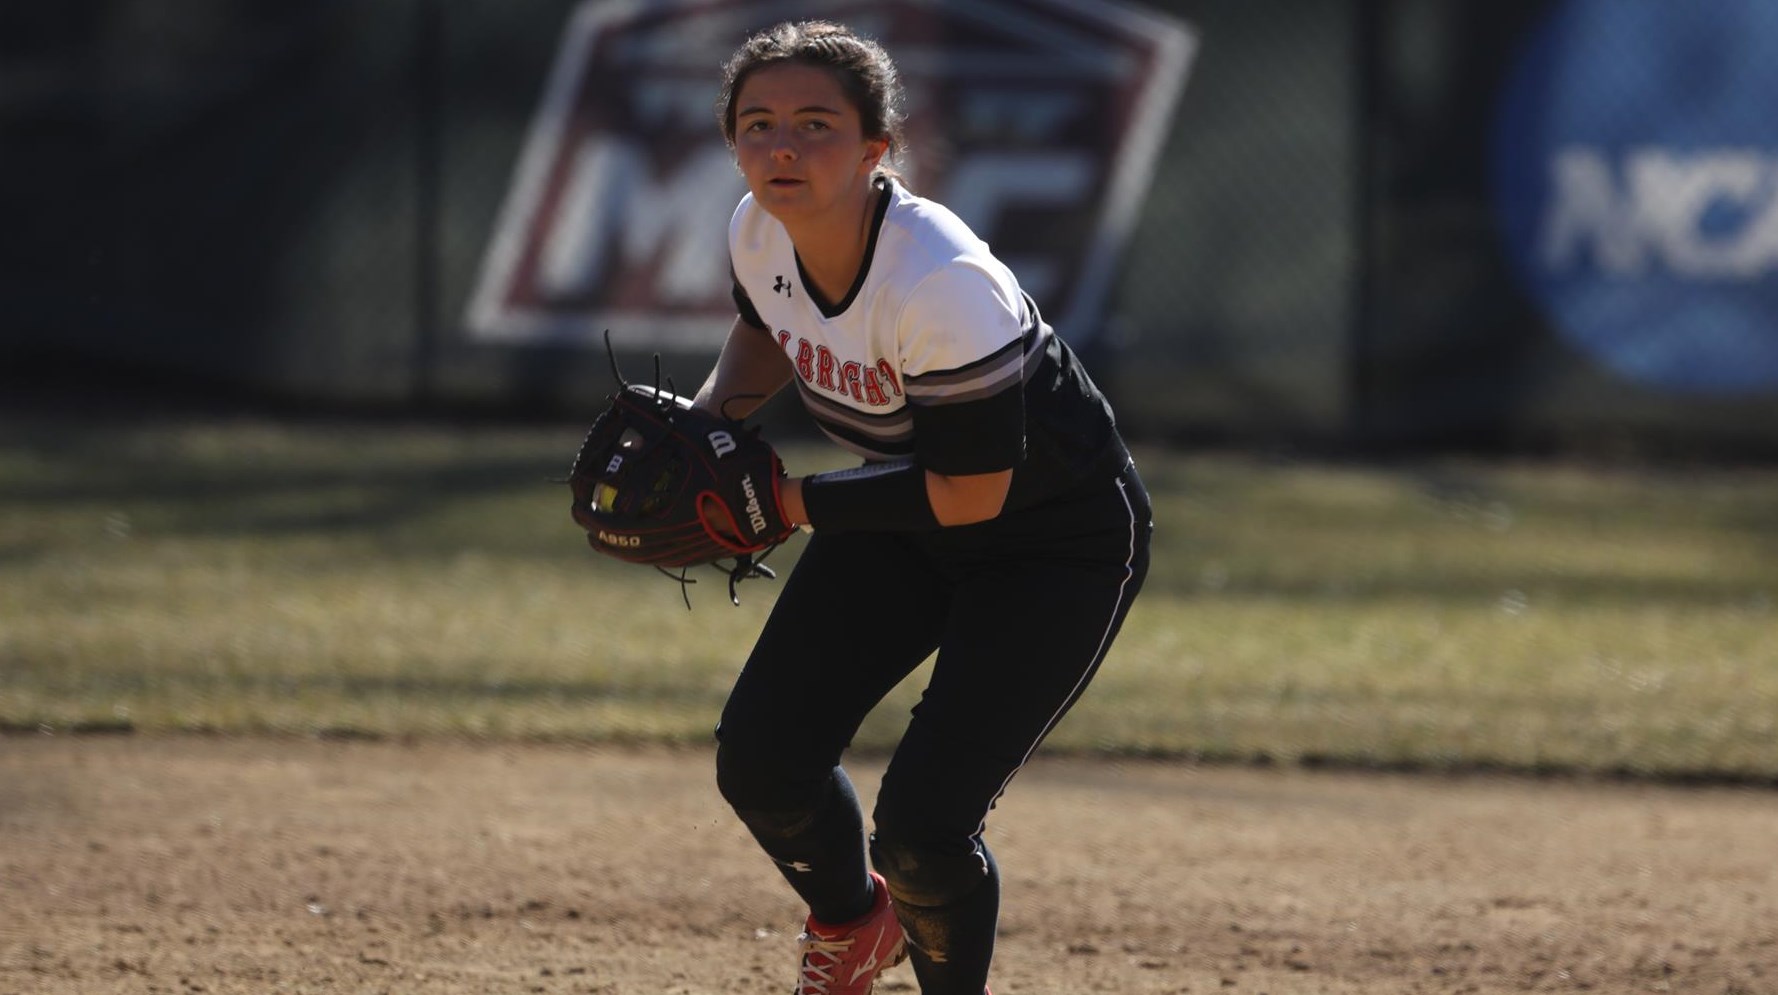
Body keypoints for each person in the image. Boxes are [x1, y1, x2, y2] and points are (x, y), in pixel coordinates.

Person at [691, 20, 1153, 995]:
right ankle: (854, 923)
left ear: (874, 147)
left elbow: (972, 492)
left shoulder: (938, 281)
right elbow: (768, 327)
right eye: (758, 123)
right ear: (731, 140)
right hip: (906, 509)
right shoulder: (755, 225)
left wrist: (784, 501)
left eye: (815, 124)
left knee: (922, 828)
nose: (781, 147)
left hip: (1050, 542)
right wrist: (706, 425)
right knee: (763, 760)